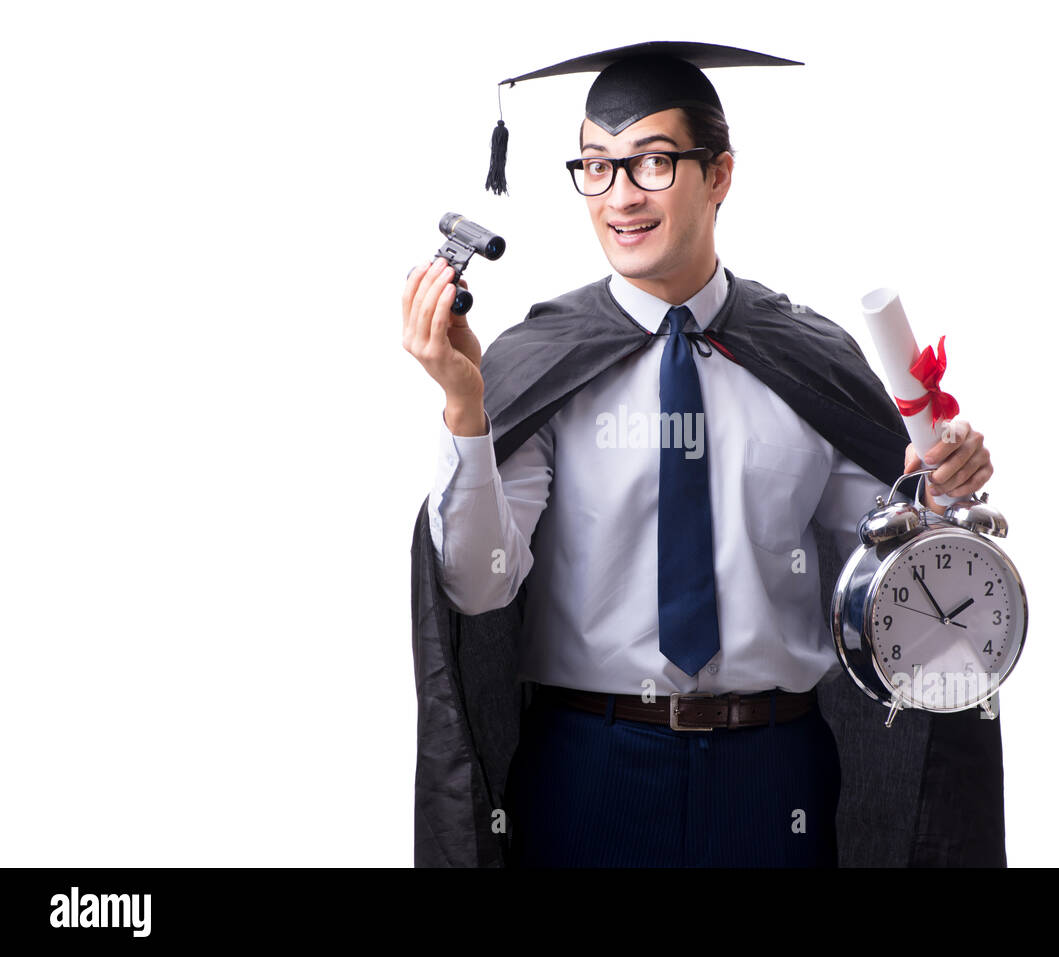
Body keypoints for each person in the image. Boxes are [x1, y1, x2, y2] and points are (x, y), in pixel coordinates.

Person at [401, 42, 1003, 867]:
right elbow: (477, 584)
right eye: (596, 166)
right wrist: (464, 407)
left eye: (651, 162)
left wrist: (936, 503)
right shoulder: (535, 359)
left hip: (773, 775)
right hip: (589, 772)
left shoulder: (806, 357)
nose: (620, 197)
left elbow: (879, 572)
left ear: (719, 174)